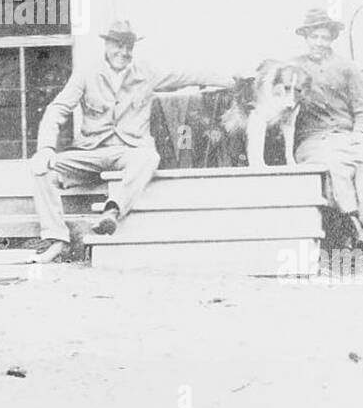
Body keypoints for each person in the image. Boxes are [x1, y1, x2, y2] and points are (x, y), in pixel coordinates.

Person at [29, 20, 239, 263]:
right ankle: (57, 239)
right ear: (106, 45)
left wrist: (229, 81)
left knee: (149, 157)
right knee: (40, 167)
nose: (124, 52)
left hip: (130, 152)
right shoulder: (87, 73)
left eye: (128, 46)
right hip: (91, 152)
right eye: (118, 45)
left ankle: (112, 211)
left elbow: (186, 75)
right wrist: (45, 148)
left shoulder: (145, 73)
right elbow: (57, 110)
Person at [291, 8, 363, 245]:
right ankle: (353, 224)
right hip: (314, 139)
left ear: (332, 39)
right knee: (334, 166)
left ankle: (362, 218)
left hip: (347, 134)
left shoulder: (347, 67)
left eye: (325, 38)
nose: (319, 43)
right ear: (306, 38)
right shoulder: (293, 68)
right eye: (314, 37)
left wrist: (359, 133)